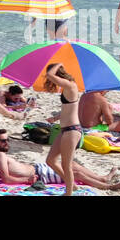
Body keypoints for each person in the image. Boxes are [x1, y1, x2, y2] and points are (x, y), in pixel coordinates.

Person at [0, 128, 120, 191]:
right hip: (40, 175)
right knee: (74, 173)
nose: (7, 143)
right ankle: (109, 186)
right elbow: (6, 180)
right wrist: (26, 180)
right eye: (4, 141)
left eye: (7, 140)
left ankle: (103, 178)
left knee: (71, 164)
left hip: (38, 169)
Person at [42, 63, 82, 196]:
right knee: (50, 160)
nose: (50, 80)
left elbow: (50, 75)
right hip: (65, 130)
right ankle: (72, 185)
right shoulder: (68, 87)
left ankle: (68, 193)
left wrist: (58, 64)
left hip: (72, 130)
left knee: (66, 165)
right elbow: (70, 108)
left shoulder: (70, 85)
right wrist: (55, 118)